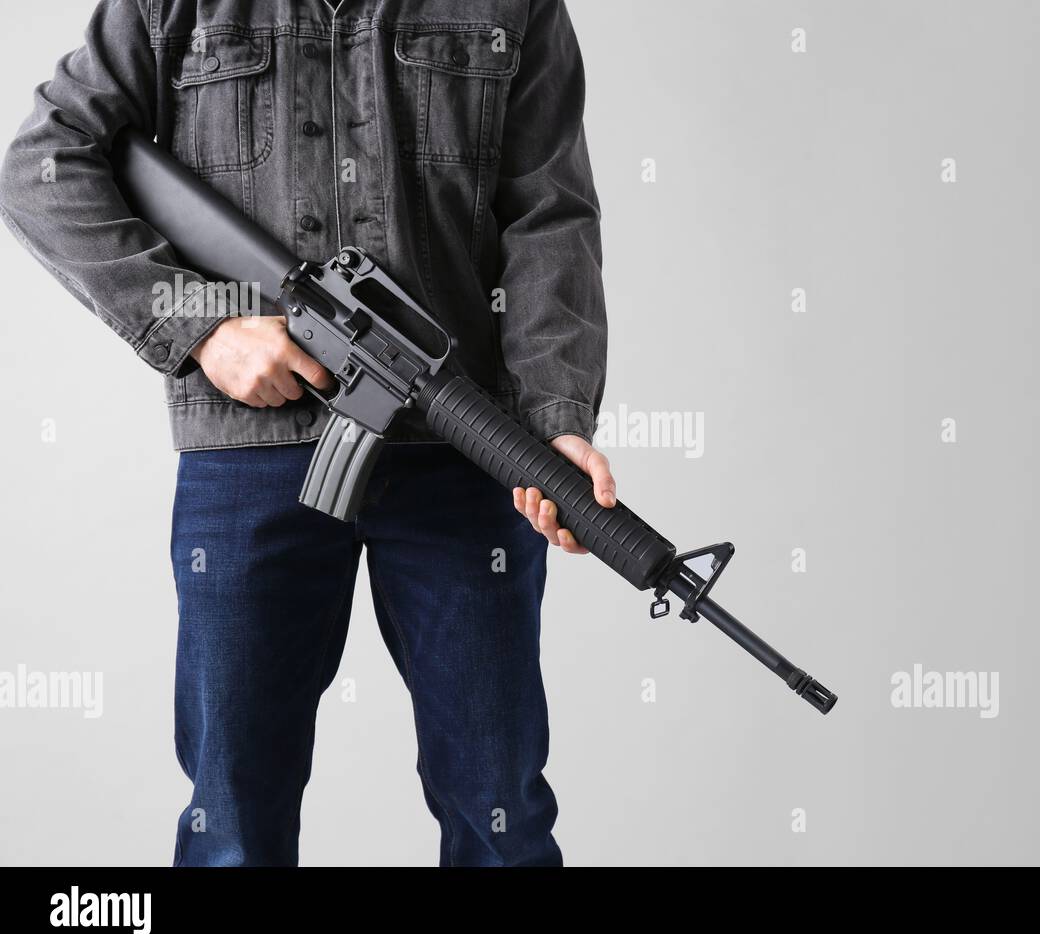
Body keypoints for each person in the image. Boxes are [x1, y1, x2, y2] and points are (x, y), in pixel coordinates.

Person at [0, 0, 613, 867]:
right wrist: (203, 327)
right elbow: (41, 163)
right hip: (247, 454)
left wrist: (557, 419)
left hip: (467, 455)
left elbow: (549, 214)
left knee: (500, 808)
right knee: (234, 817)